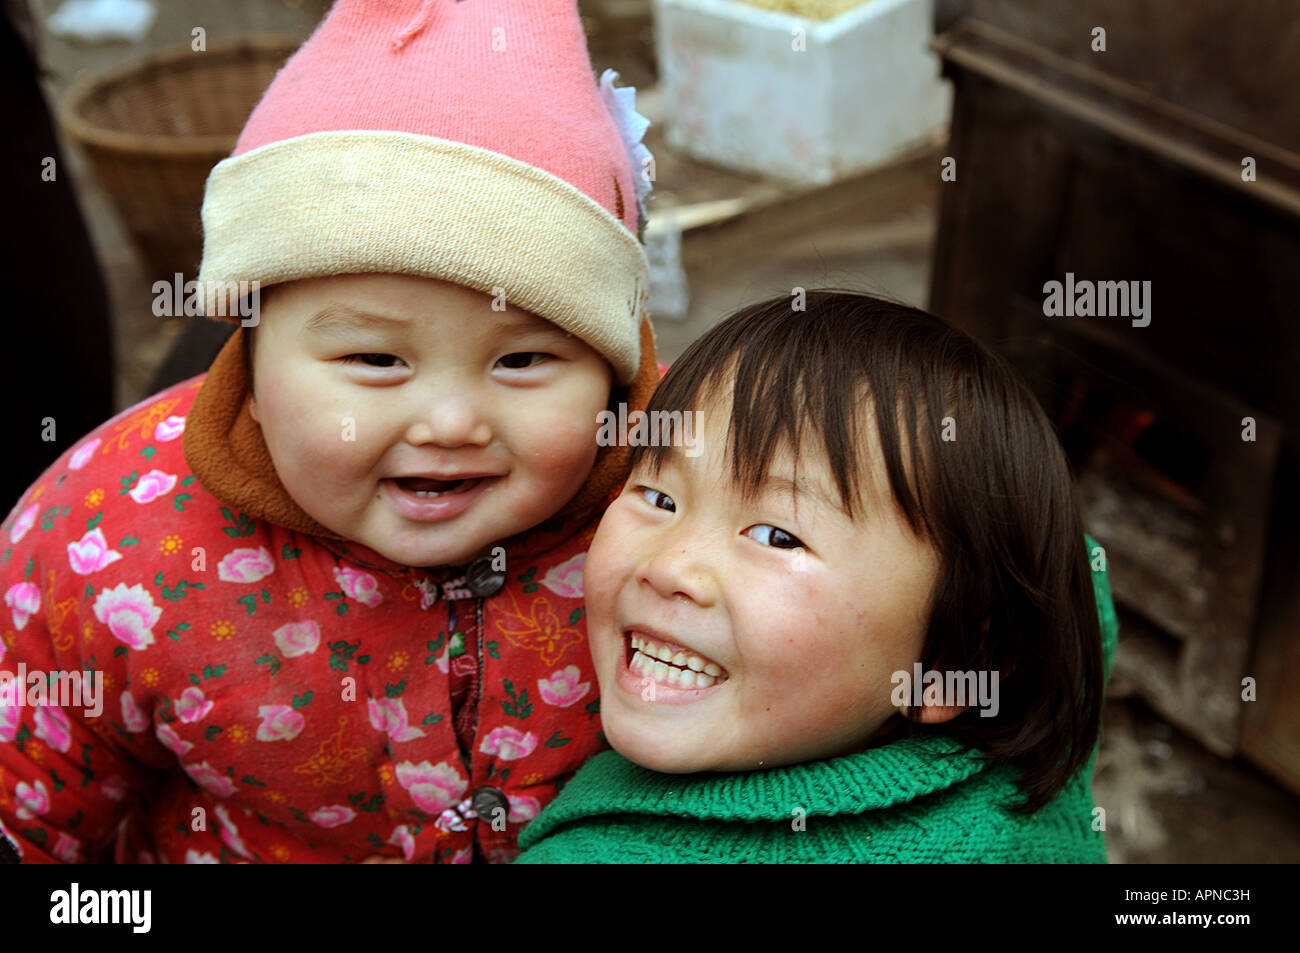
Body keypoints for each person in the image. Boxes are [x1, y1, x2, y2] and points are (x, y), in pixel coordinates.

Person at [0, 0, 657, 864]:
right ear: (252, 364)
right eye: (377, 359)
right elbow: (28, 802)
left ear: (614, 376)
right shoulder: (106, 538)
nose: (452, 422)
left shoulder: (679, 510)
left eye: (524, 361)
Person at [515, 290, 1119, 863]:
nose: (669, 566)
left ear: (951, 660)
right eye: (659, 496)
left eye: (779, 536)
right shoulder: (1041, 732)